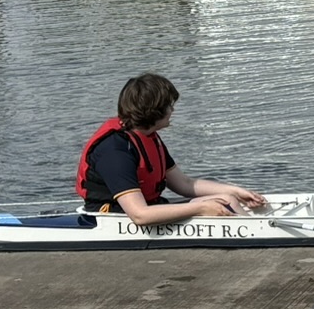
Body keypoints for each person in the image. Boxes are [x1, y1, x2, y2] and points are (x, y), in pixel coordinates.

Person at [76, 72, 266, 226]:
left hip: (149, 208)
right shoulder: (115, 151)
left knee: (226, 199)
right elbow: (140, 215)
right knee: (215, 205)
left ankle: (256, 230)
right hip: (113, 218)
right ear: (155, 110)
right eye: (169, 106)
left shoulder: (148, 137)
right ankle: (257, 232)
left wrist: (235, 190)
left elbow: (184, 184)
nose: (172, 111)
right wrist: (200, 209)